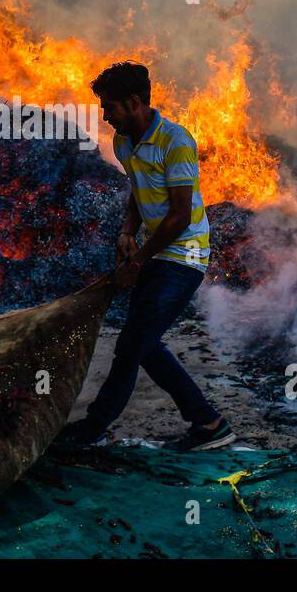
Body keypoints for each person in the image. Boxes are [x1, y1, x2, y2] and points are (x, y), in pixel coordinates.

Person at [58, 61, 234, 452]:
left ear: (135, 102)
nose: (105, 116)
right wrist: (126, 232)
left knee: (131, 345)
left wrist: (137, 263)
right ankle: (208, 422)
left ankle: (93, 428)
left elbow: (179, 215)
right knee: (143, 343)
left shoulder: (177, 141)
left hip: (184, 257)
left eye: (110, 108)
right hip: (158, 253)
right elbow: (138, 192)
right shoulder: (124, 142)